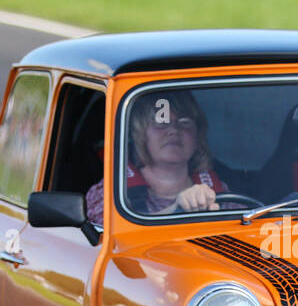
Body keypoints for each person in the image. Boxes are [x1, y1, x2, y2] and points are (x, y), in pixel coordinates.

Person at [86, 90, 227, 226]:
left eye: (184, 122)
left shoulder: (217, 191)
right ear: (140, 134)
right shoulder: (110, 191)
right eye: (160, 123)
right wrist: (177, 210)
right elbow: (115, 238)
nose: (173, 130)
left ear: (197, 136)